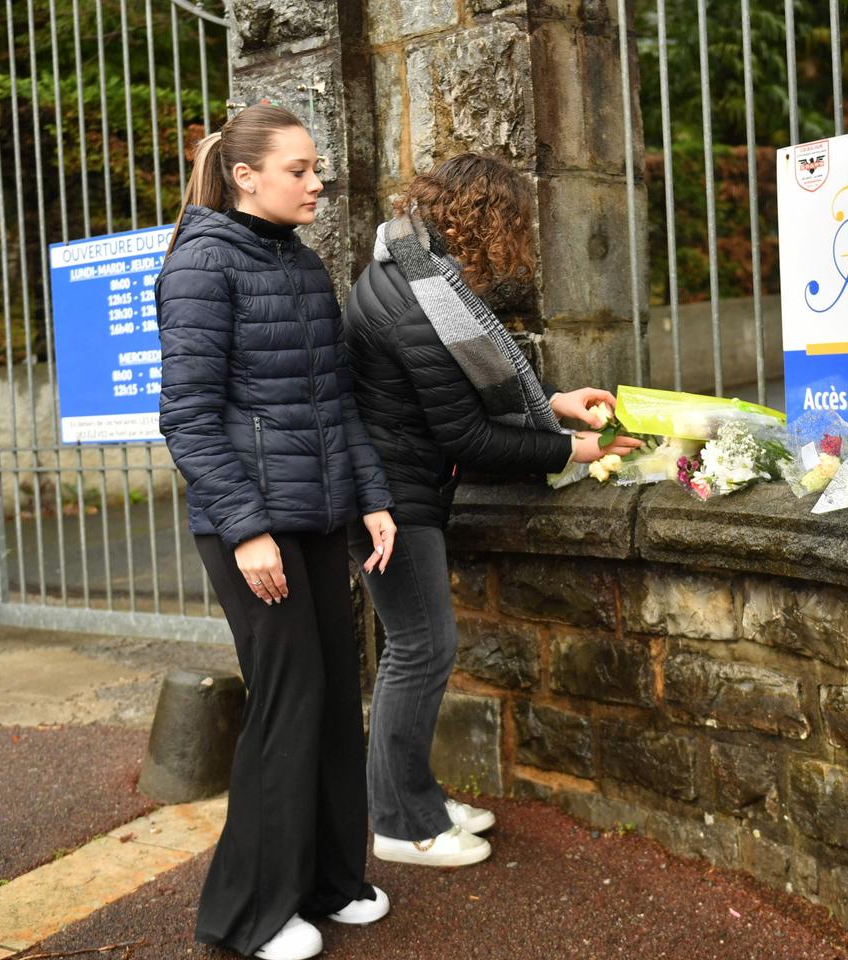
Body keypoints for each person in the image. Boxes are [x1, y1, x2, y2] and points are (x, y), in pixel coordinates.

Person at [342, 152, 640, 867]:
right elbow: (466, 432)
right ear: (484, 218)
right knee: (420, 650)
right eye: (510, 221)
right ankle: (400, 823)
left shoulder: (412, 270)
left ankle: (412, 796)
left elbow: (470, 386)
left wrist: (554, 404)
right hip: (392, 499)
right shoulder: (421, 299)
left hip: (399, 486)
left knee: (417, 651)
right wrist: (570, 449)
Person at [156, 104, 396, 960]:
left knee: (334, 694)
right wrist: (248, 529)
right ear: (246, 176)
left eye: (316, 166)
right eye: (299, 169)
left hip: (320, 515)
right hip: (249, 528)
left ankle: (331, 880)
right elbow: (185, 417)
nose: (318, 181)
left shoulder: (300, 264)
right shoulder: (200, 265)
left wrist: (370, 494)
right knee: (289, 703)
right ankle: (248, 915)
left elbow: (336, 401)